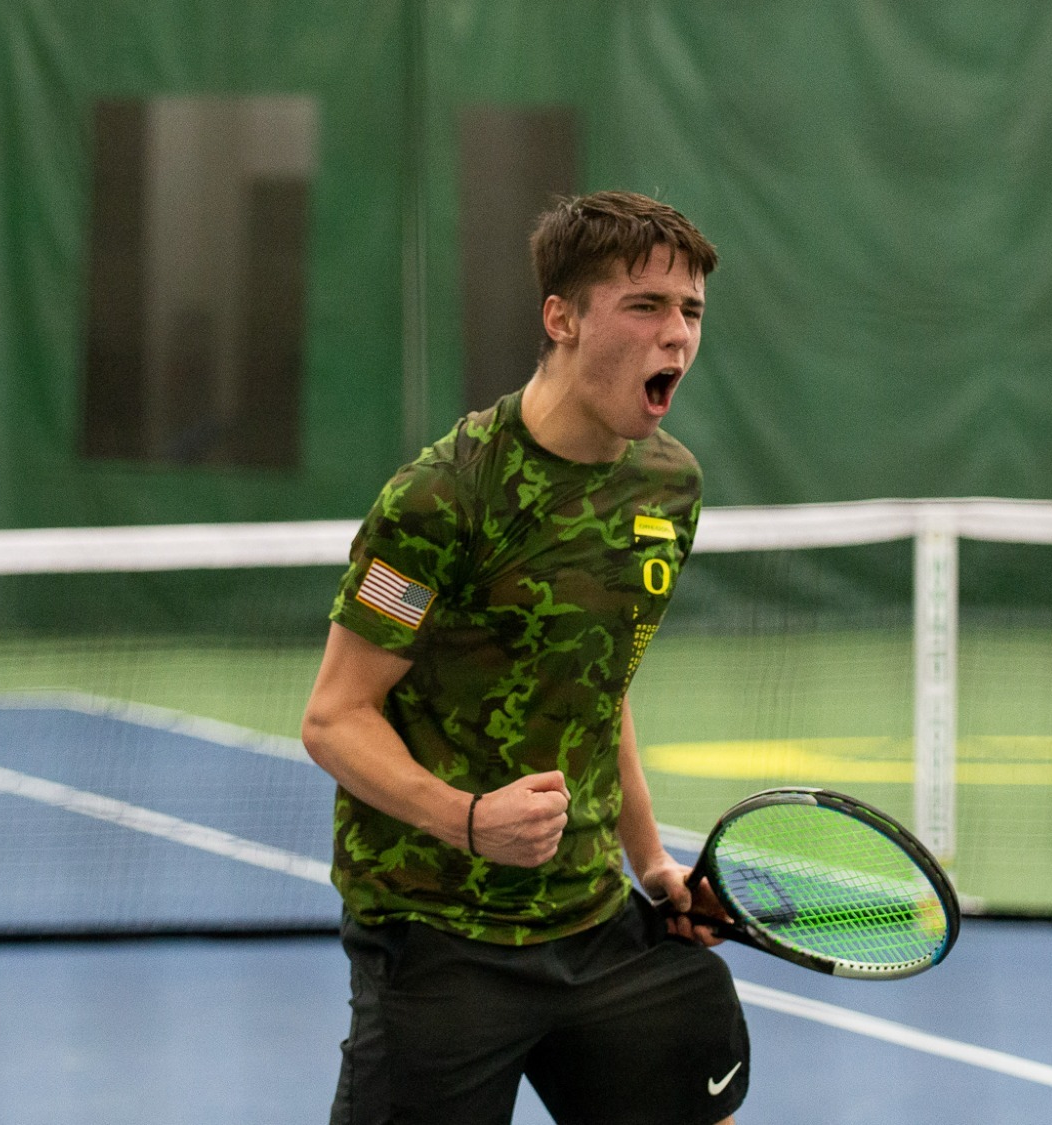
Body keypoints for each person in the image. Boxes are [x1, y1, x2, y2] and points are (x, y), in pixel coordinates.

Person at [301, 191, 747, 1125]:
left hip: (593, 920)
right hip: (441, 936)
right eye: (645, 305)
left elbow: (600, 684)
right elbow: (335, 718)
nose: (676, 334)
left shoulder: (668, 486)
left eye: (690, 310)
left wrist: (652, 862)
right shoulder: (441, 499)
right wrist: (469, 821)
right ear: (562, 318)